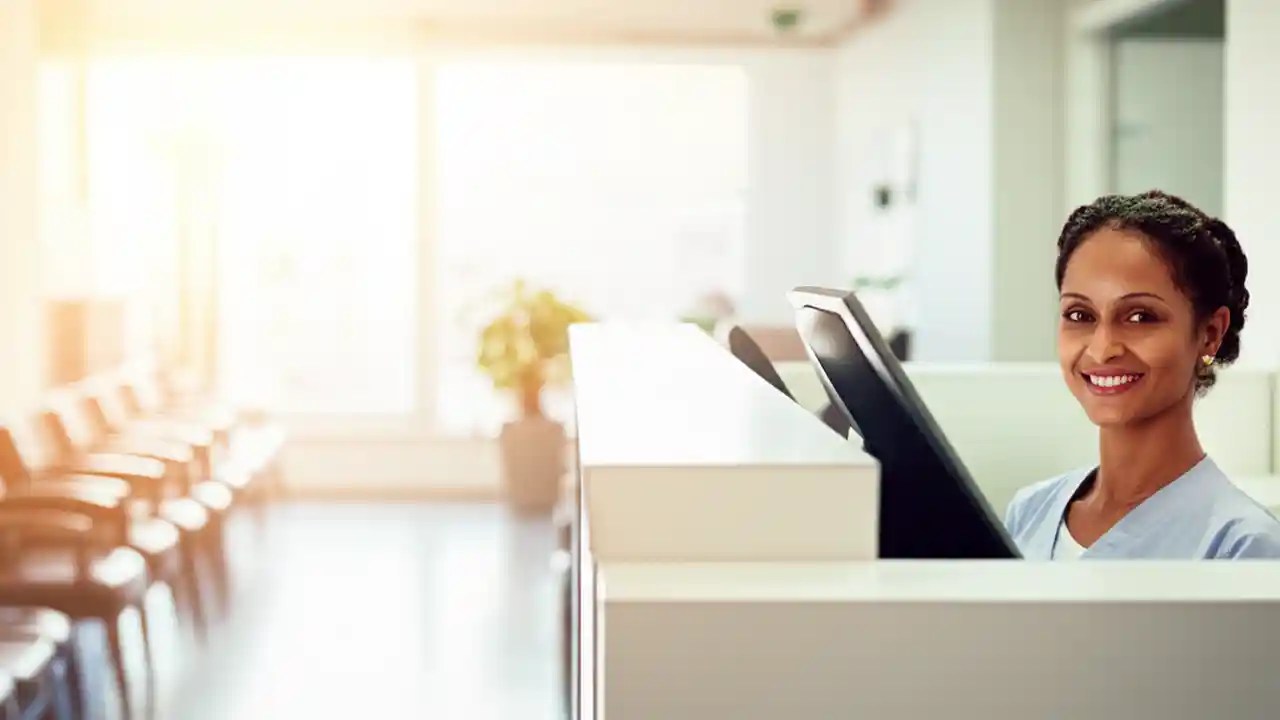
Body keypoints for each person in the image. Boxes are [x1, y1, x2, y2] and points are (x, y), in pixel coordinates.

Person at [1004, 190, 1280, 559]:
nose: (1102, 348)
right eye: (1080, 315)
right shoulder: (1029, 513)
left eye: (1140, 317)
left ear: (1210, 334)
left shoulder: (1242, 546)